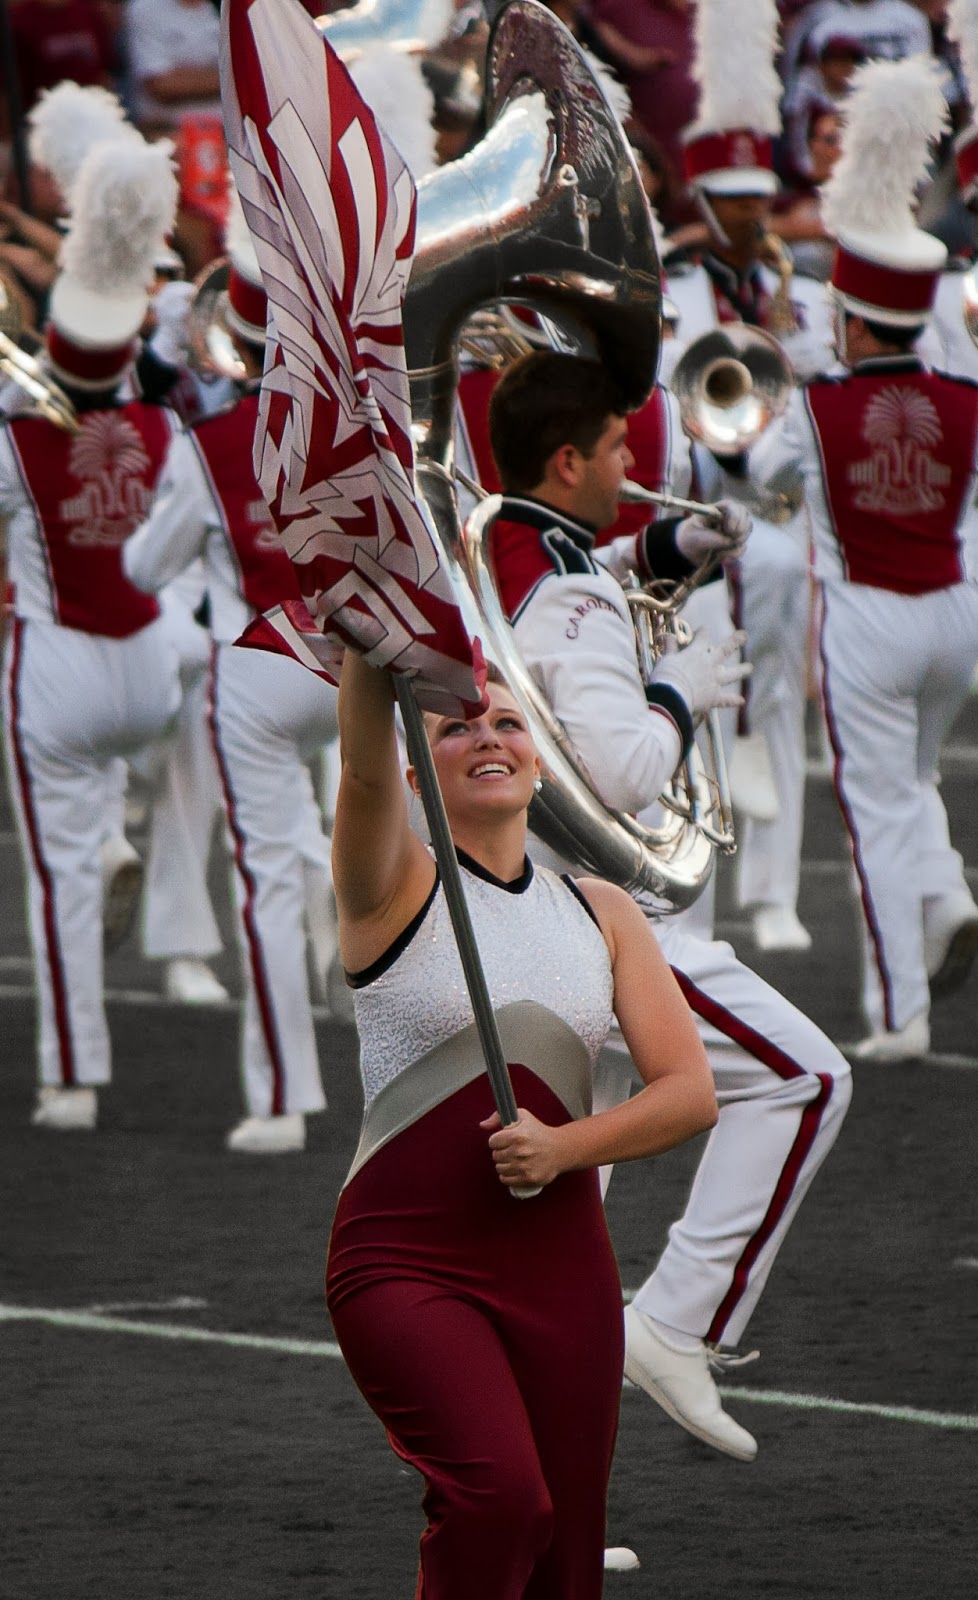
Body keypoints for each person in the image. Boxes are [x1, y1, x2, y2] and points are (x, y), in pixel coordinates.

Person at [486, 346, 852, 1462]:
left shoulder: (502, 543)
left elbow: (567, 574)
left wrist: (662, 548)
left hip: (526, 916)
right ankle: (679, 1323)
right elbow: (630, 771)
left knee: (562, 1221)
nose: (633, 462)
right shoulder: (575, 599)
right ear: (565, 458)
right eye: (612, 449)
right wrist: (677, 690)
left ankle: (540, 1510)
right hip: (596, 922)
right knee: (806, 1076)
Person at [325, 651, 717, 1598]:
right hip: (405, 1259)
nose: (486, 737)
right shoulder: (392, 889)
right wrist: (368, 640)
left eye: (505, 721)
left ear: (539, 756)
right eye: (456, 725)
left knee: (566, 1557)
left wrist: (566, 1147)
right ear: (422, 772)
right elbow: (365, 766)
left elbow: (688, 1092)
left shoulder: (605, 911)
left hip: (561, 1266)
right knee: (502, 1501)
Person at [739, 54, 978, 1060]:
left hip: (869, 618)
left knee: (874, 808)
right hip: (957, 617)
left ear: (849, 310)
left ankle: (899, 1013)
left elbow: (760, 479)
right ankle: (950, 892)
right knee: (915, 777)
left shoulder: (817, 403)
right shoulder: (969, 399)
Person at [124, 190, 338, 1152]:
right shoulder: (367, 425)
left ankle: (284, 1099)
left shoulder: (207, 445)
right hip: (369, 660)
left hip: (260, 664)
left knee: (265, 883)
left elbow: (140, 569)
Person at [0, 138, 182, 1130]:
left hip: (61, 666)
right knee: (94, 795)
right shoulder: (164, 430)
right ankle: (117, 832)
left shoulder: (16, 438)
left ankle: (71, 1077)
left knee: (54, 877)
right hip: (150, 673)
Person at [670, 0, 835, 954]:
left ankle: (774, 894)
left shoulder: (803, 296)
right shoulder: (674, 296)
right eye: (730, 196)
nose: (748, 211)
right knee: (698, 700)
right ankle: (704, 902)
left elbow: (817, 409)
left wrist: (788, 342)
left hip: (780, 515)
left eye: (757, 195)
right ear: (700, 200)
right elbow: (672, 407)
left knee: (779, 703)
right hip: (699, 522)